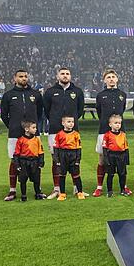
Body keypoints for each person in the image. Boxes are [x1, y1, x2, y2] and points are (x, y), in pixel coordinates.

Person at [0, 70, 44, 202]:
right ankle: (12, 190)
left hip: (33, 134)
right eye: (21, 76)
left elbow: (40, 112)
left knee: (35, 161)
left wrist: (34, 128)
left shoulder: (35, 94)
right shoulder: (8, 95)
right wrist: (13, 126)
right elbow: (4, 115)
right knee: (14, 161)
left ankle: (38, 189)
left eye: (25, 76)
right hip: (15, 133)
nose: (23, 78)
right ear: (15, 78)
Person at [42, 68, 84, 199]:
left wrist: (71, 123)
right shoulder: (50, 92)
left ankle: (77, 189)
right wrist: (56, 121)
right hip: (55, 130)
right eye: (62, 74)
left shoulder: (77, 91)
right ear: (57, 76)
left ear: (70, 76)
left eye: (67, 74)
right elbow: (47, 110)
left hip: (73, 131)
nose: (65, 76)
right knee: (56, 159)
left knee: (75, 159)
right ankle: (57, 189)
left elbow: (80, 109)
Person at [93, 69, 127, 198]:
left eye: (113, 77)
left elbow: (122, 110)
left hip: (120, 131)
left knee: (121, 159)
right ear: (104, 80)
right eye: (108, 77)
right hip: (104, 130)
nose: (111, 79)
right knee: (102, 159)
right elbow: (99, 112)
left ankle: (123, 186)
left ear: (117, 79)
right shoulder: (101, 95)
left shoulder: (122, 94)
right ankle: (99, 187)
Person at [52, 115, 85, 200]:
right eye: (69, 122)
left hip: (73, 155)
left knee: (76, 175)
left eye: (72, 122)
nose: (71, 124)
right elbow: (56, 149)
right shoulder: (59, 134)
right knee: (62, 175)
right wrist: (57, 160)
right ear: (63, 123)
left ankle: (80, 192)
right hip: (63, 155)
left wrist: (78, 160)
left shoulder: (76, 134)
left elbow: (79, 148)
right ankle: (62, 193)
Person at [13, 119, 45, 201]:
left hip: (34, 161)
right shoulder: (21, 140)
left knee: (36, 178)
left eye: (35, 127)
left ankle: (38, 193)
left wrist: (41, 161)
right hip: (24, 161)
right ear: (27, 129)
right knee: (23, 179)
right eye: (33, 128)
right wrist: (17, 164)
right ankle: (23, 195)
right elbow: (16, 153)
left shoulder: (37, 140)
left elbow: (40, 151)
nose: (36, 129)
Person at [101, 114, 129, 197]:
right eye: (116, 123)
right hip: (111, 155)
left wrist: (127, 159)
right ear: (110, 124)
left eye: (119, 123)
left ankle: (123, 189)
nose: (118, 125)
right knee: (110, 174)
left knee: (122, 174)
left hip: (121, 156)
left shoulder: (123, 134)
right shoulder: (107, 135)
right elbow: (105, 148)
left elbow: (126, 147)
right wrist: (106, 159)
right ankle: (109, 191)